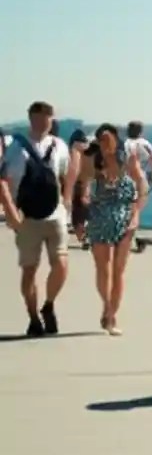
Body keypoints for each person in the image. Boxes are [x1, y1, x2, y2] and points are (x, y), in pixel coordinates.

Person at [0, 102, 76, 337]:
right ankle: (33, 318)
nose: (44, 122)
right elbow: (2, 180)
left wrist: (67, 200)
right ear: (30, 119)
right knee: (29, 270)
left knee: (61, 265)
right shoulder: (15, 148)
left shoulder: (59, 146)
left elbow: (66, 175)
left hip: (55, 215)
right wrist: (12, 213)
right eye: (39, 117)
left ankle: (49, 304)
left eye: (48, 118)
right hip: (27, 217)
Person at [84, 124, 147, 336]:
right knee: (104, 268)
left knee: (119, 271)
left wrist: (136, 215)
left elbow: (142, 188)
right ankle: (106, 304)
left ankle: (111, 316)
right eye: (102, 140)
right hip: (100, 218)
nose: (106, 144)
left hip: (125, 219)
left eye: (109, 139)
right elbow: (82, 187)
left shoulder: (128, 159)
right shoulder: (93, 160)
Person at [67, 129, 92, 249]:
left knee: (77, 216)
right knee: (85, 212)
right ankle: (86, 236)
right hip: (86, 185)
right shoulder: (89, 153)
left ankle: (83, 237)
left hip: (76, 186)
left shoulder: (71, 152)